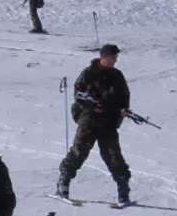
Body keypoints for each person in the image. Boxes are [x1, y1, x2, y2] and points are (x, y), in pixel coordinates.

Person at [56, 43, 133, 205]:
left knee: (113, 154)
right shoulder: (88, 73)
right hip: (89, 120)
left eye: (116, 57)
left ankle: (123, 188)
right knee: (79, 151)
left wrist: (123, 110)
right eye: (113, 57)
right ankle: (63, 182)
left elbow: (124, 95)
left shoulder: (117, 75)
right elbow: (78, 94)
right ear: (103, 57)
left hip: (109, 121)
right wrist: (92, 107)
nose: (115, 60)